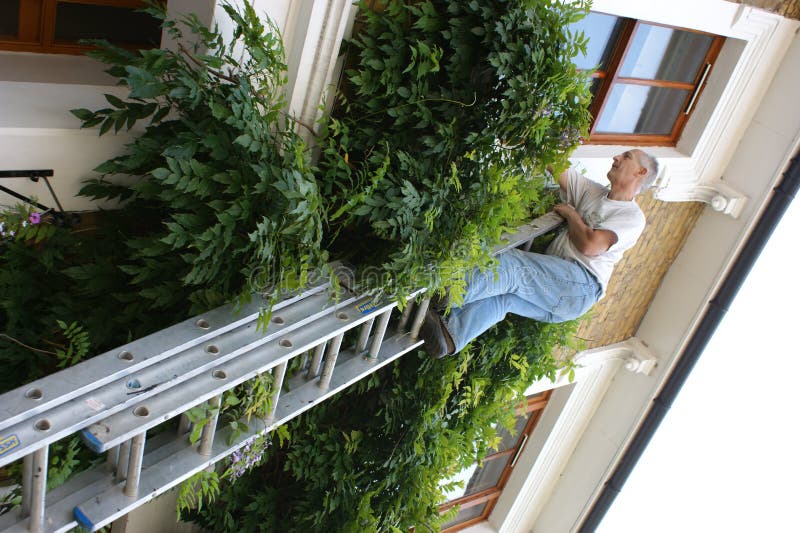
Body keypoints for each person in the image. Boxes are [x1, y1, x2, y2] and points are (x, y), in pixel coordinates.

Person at [420, 150, 659, 358]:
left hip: (579, 287)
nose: (616, 157)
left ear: (641, 172)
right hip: (559, 290)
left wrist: (571, 215)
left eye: (626, 156)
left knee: (512, 267)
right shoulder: (593, 192)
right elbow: (556, 164)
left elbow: (590, 245)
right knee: (504, 298)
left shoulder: (633, 217)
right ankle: (448, 336)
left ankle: (445, 292)